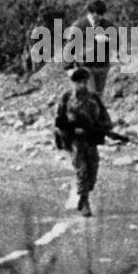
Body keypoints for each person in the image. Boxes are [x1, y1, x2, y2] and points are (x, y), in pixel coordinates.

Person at [54, 67, 114, 217]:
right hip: (75, 141)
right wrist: (71, 131)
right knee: (82, 171)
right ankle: (85, 202)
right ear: (73, 83)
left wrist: (101, 129)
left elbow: (105, 119)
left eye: (84, 82)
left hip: (90, 140)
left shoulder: (94, 98)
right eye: (78, 82)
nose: (82, 85)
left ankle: (84, 194)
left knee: (93, 172)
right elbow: (59, 121)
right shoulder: (66, 98)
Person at [62, 0, 114, 100]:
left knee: (99, 97)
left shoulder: (107, 25)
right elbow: (69, 48)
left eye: (102, 14)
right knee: (91, 96)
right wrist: (69, 67)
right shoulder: (79, 26)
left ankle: (97, 115)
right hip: (86, 66)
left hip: (103, 66)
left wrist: (108, 39)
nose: (100, 17)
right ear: (91, 12)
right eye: (98, 14)